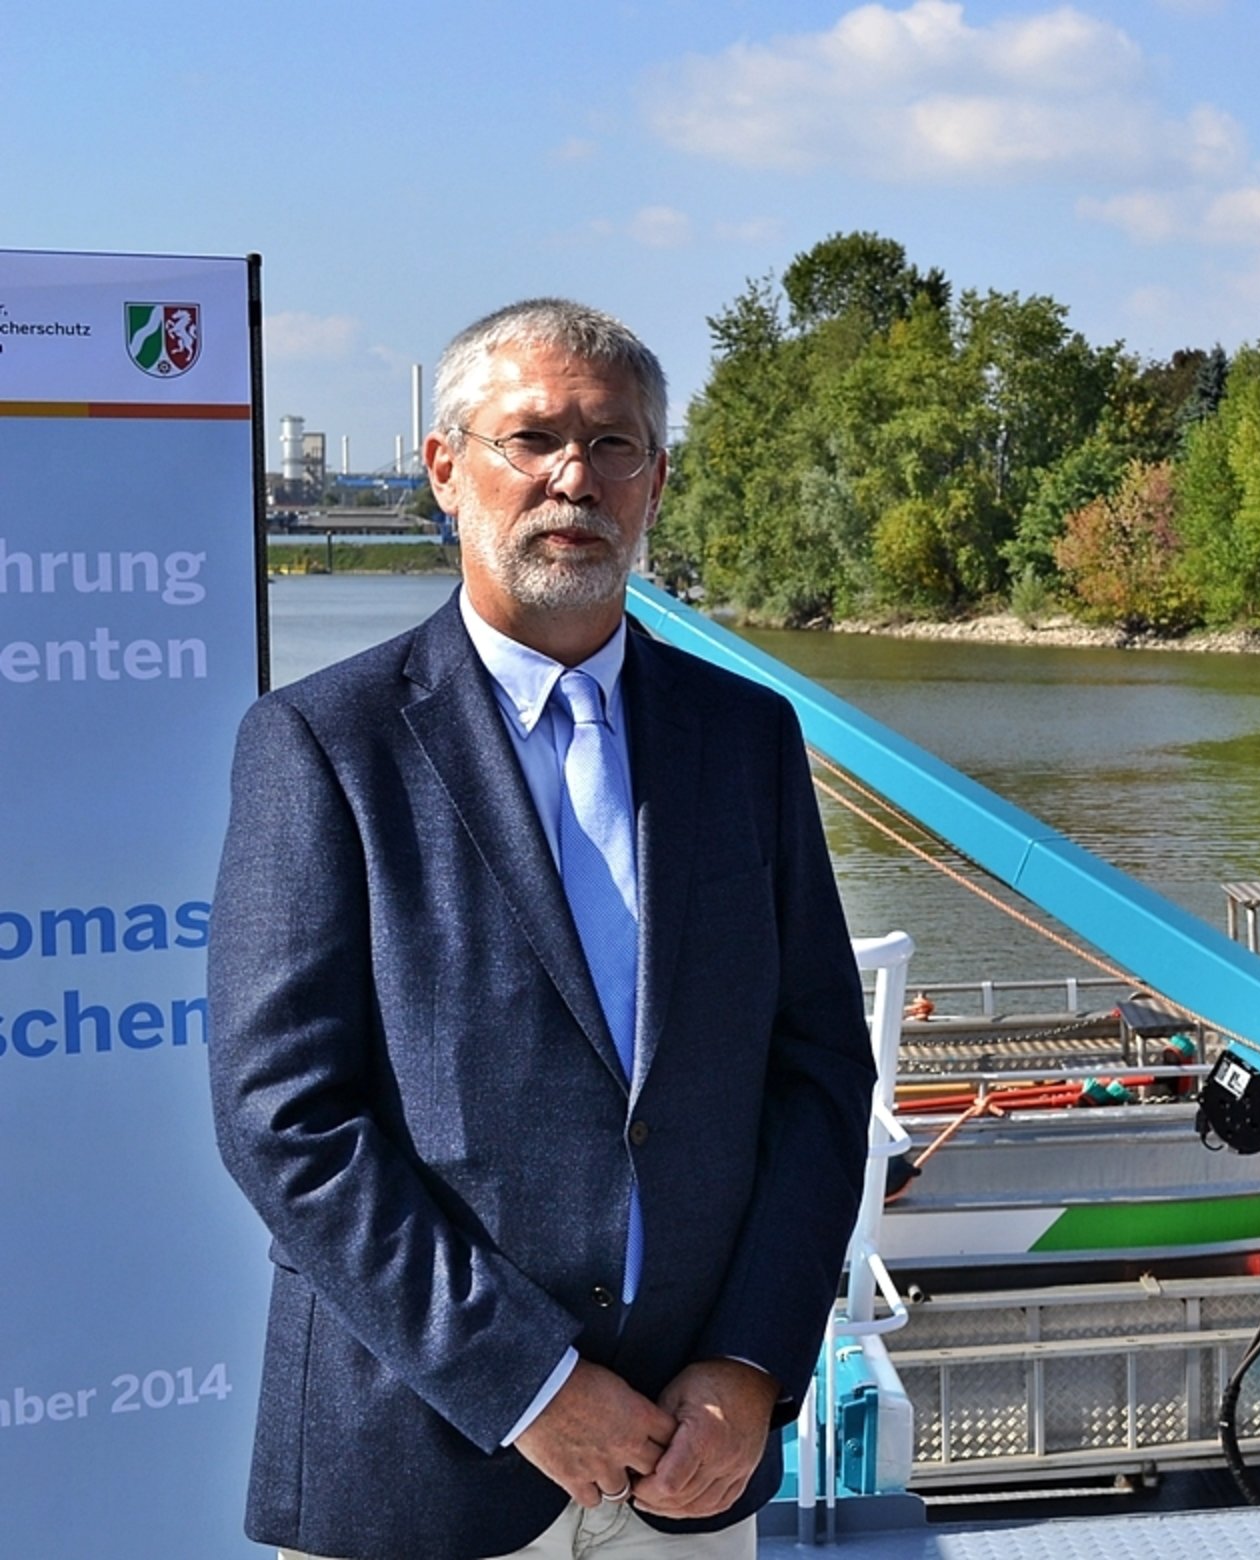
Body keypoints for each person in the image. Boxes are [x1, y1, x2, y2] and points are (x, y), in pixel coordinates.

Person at [209, 299, 877, 1560]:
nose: (575, 476)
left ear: (656, 483)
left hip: (689, 1460)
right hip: (419, 1459)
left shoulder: (745, 740)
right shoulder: (322, 747)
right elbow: (284, 1117)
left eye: (614, 445)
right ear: (446, 470)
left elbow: (818, 1072)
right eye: (533, 438)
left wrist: (748, 1360)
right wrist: (526, 1383)